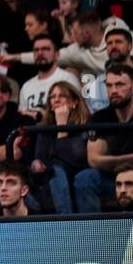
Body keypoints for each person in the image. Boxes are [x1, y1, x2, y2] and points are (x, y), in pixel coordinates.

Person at [78, 63, 133, 213]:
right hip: (112, 177)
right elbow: (94, 160)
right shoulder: (99, 118)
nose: (113, 90)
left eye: (119, 85)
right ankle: (91, 232)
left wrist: (111, 160)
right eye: (109, 85)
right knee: (85, 178)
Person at [30, 81, 89, 214]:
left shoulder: (86, 126)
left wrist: (62, 128)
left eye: (62, 96)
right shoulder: (44, 128)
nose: (56, 99)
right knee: (52, 171)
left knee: (56, 169)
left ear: (74, 102)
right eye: (52, 96)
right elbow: (40, 157)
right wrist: (37, 164)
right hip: (50, 177)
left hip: (76, 173)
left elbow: (76, 158)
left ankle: (65, 220)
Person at [16, 35, 80, 119]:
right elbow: (22, 116)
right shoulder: (26, 86)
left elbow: (77, 112)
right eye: (36, 50)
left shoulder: (68, 79)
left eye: (45, 49)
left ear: (57, 55)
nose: (40, 53)